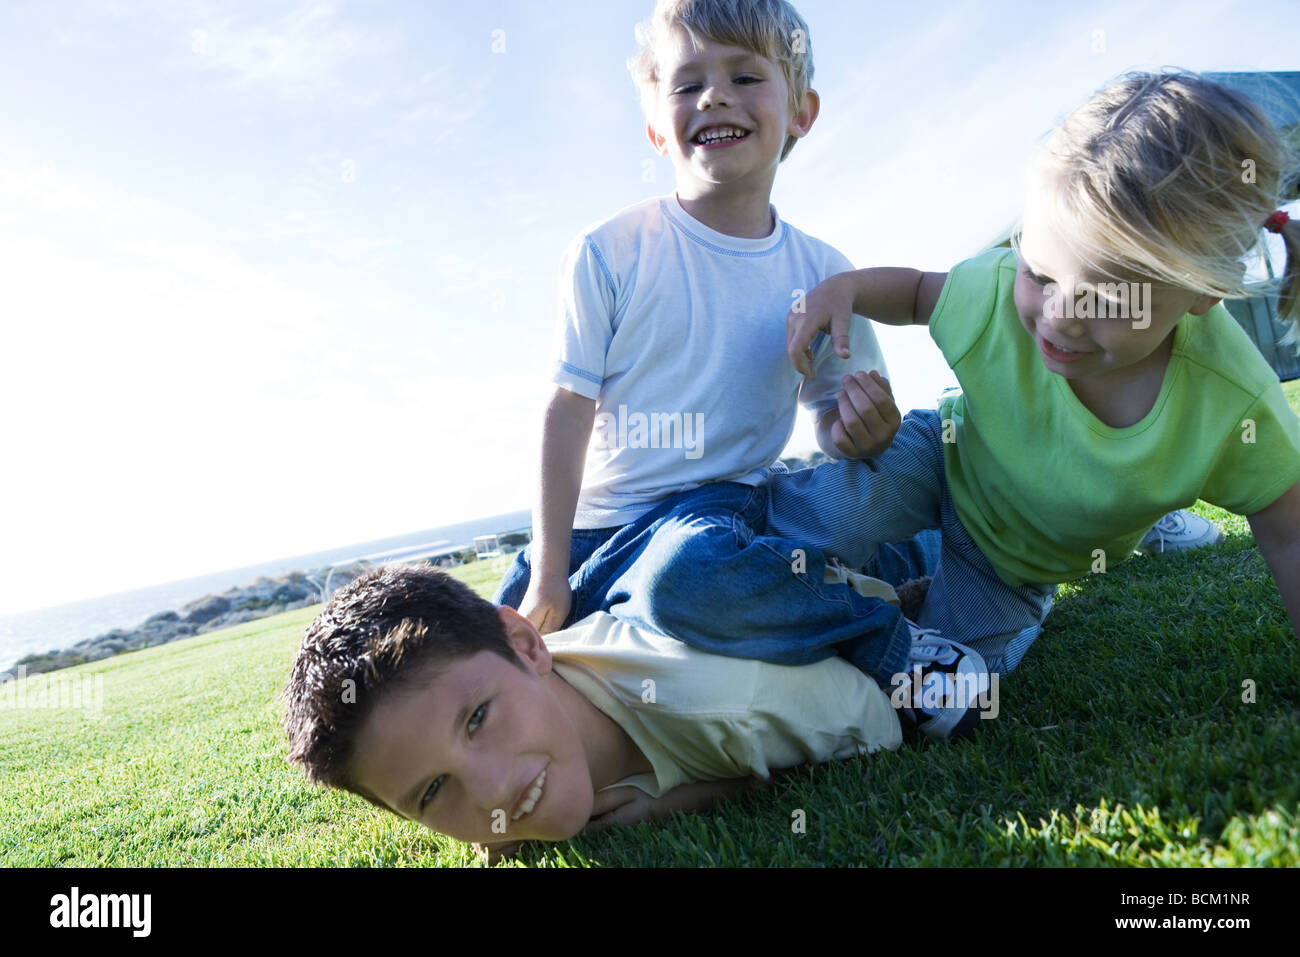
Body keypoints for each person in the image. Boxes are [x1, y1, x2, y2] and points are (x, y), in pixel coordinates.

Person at [491, 0, 991, 734]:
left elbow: (831, 420)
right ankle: (877, 588)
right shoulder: (609, 250)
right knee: (486, 648)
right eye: (686, 83)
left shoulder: (820, 271)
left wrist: (861, 428)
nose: (714, 97)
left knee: (688, 580)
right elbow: (567, 411)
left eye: (745, 76)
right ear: (657, 126)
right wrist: (549, 569)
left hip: (715, 516)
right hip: (596, 533)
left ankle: (899, 649)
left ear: (802, 112)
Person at [780, 70, 1300, 674]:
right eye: (1041, 277)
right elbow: (922, 293)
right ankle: (714, 553)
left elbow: (1288, 529)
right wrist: (845, 289)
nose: (1058, 321)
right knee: (820, 514)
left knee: (950, 673)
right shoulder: (999, 289)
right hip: (944, 459)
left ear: (1204, 292)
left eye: (1105, 303)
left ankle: (944, 603)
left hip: (1013, 561)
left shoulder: (1231, 404)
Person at [282, 564, 904, 861]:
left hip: (871, 569)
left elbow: (876, 719)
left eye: (476, 720)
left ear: (528, 646)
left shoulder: (725, 705)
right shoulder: (489, 785)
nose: (494, 790)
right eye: (435, 789)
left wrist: (718, 789)